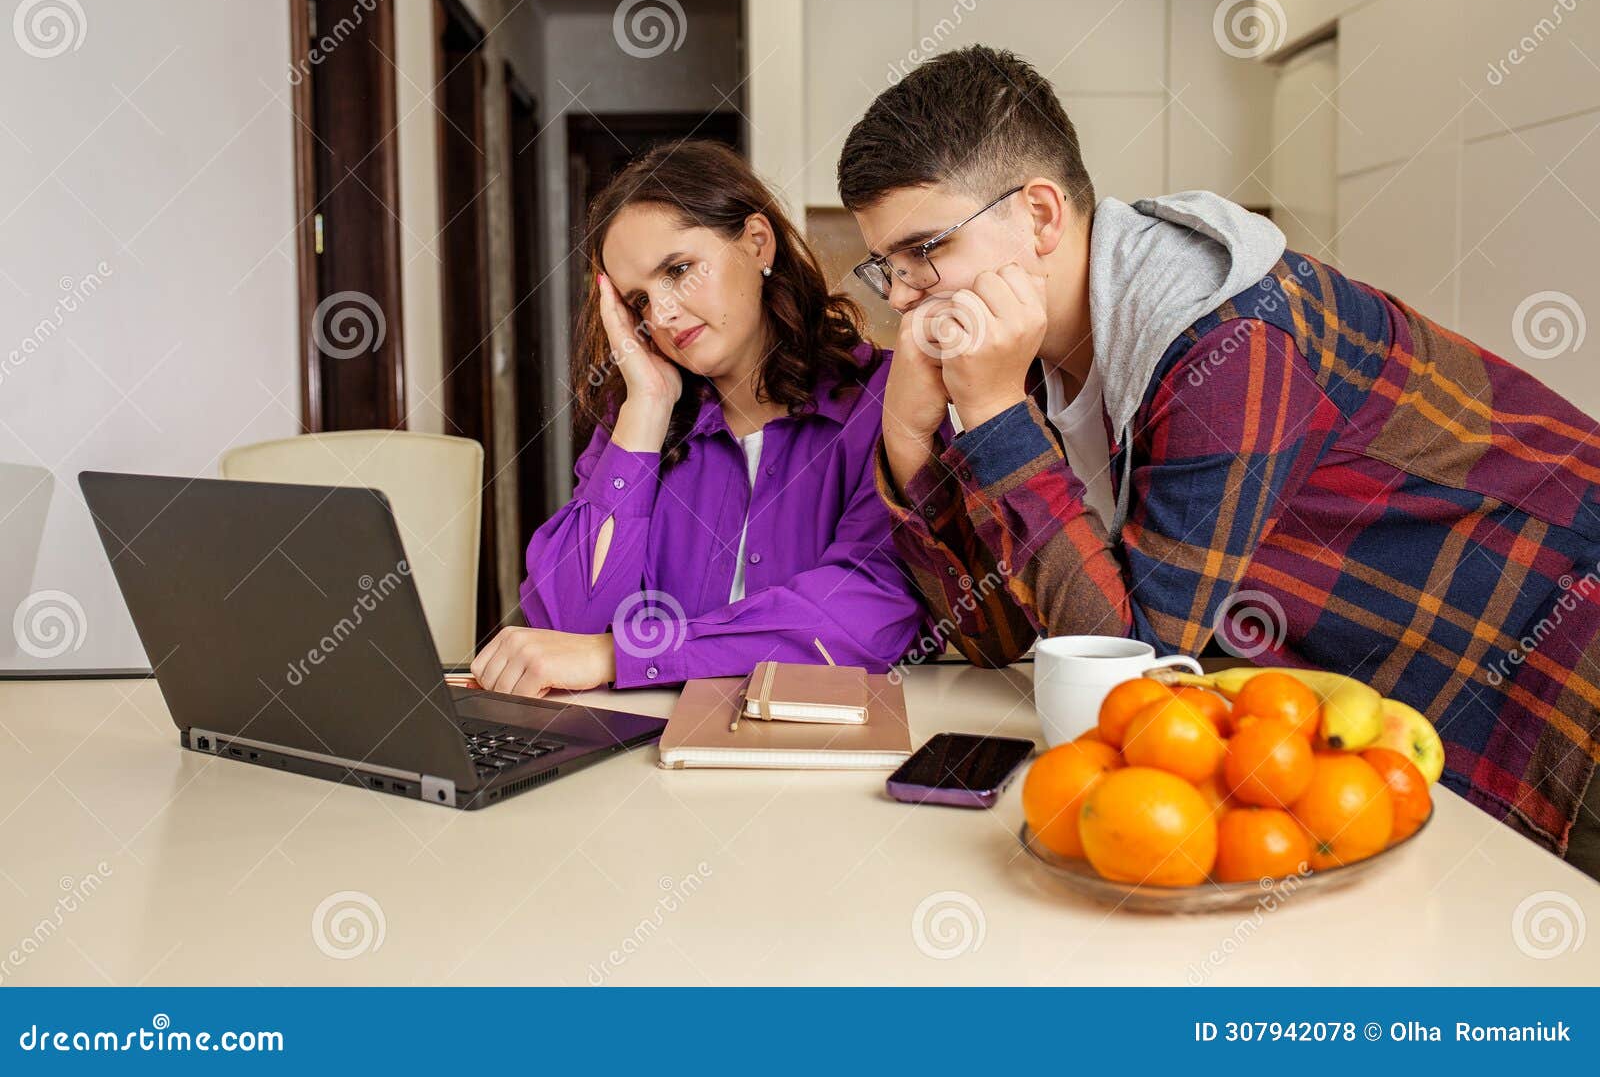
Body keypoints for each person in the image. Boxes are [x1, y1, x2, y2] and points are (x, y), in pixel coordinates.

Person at [840, 45, 1600, 873]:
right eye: (888, 266)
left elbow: (1134, 667)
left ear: (1041, 216)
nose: (906, 296)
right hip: (1407, 712)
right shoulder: (1026, 357)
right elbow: (993, 633)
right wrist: (912, 438)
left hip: (1566, 677)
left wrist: (991, 416)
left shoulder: (1228, 339)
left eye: (927, 250)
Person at [469, 139, 927, 698]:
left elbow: (867, 615)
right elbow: (567, 624)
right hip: (649, 759)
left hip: (824, 759)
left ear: (759, 243)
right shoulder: (638, 424)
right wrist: (648, 404)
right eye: (637, 301)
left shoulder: (884, 400)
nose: (659, 314)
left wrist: (622, 654)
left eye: (679, 269)